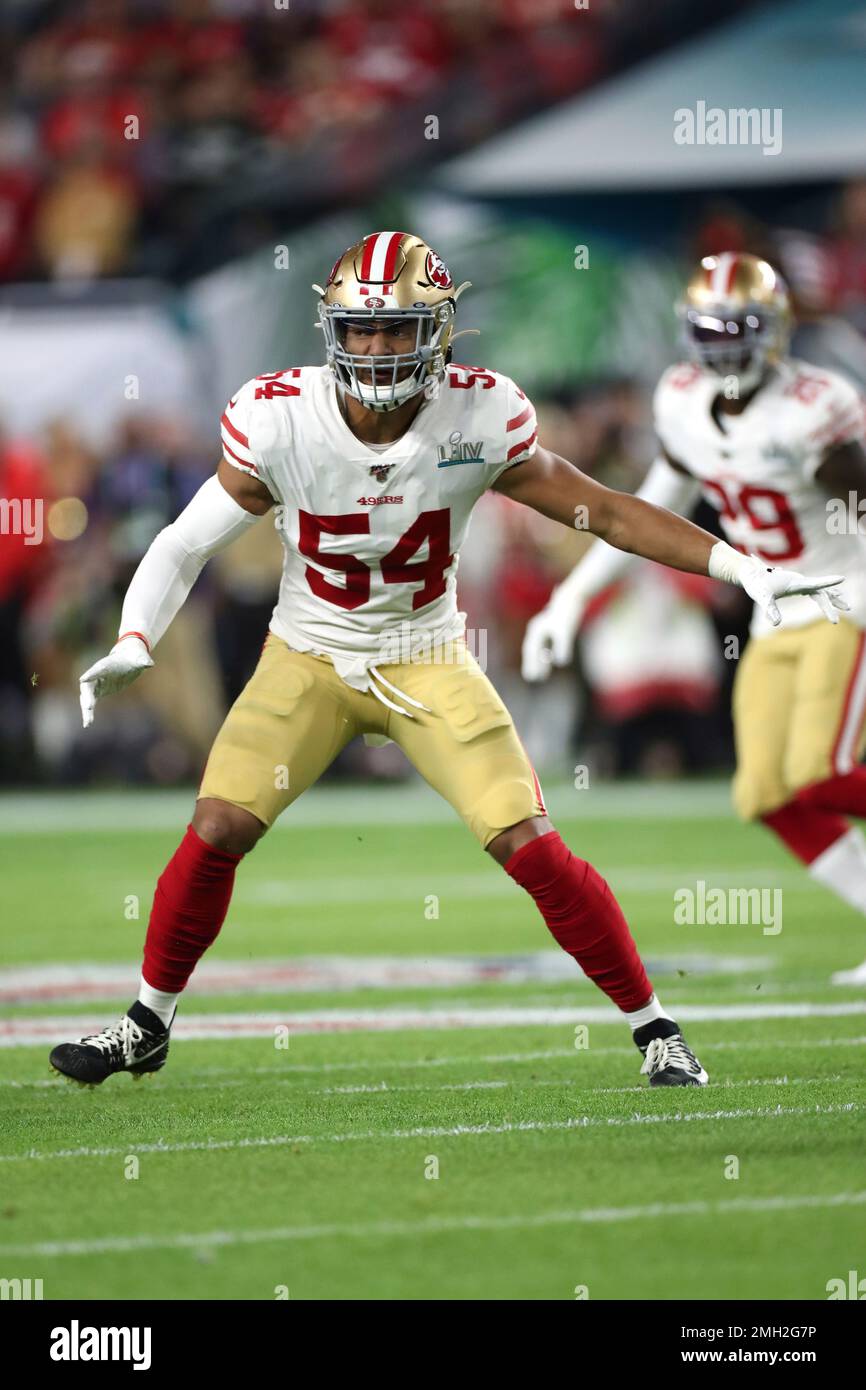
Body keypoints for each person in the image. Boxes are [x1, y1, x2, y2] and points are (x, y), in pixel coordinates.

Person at [49, 235, 845, 1090]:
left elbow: (605, 513)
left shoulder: (479, 414)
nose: (378, 349)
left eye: (398, 331)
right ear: (332, 330)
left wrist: (742, 566)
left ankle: (656, 1028)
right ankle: (146, 1023)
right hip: (308, 655)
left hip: (428, 656)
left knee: (532, 848)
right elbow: (183, 543)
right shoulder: (279, 416)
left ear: (440, 331)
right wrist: (136, 635)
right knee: (216, 830)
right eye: (361, 330)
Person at [524, 252, 866, 984]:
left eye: (737, 328)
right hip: (776, 611)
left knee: (817, 771)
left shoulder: (814, 405)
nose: (722, 346)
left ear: (773, 330)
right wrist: (571, 596)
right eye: (707, 329)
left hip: (848, 596)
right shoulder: (681, 400)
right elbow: (647, 510)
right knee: (766, 795)